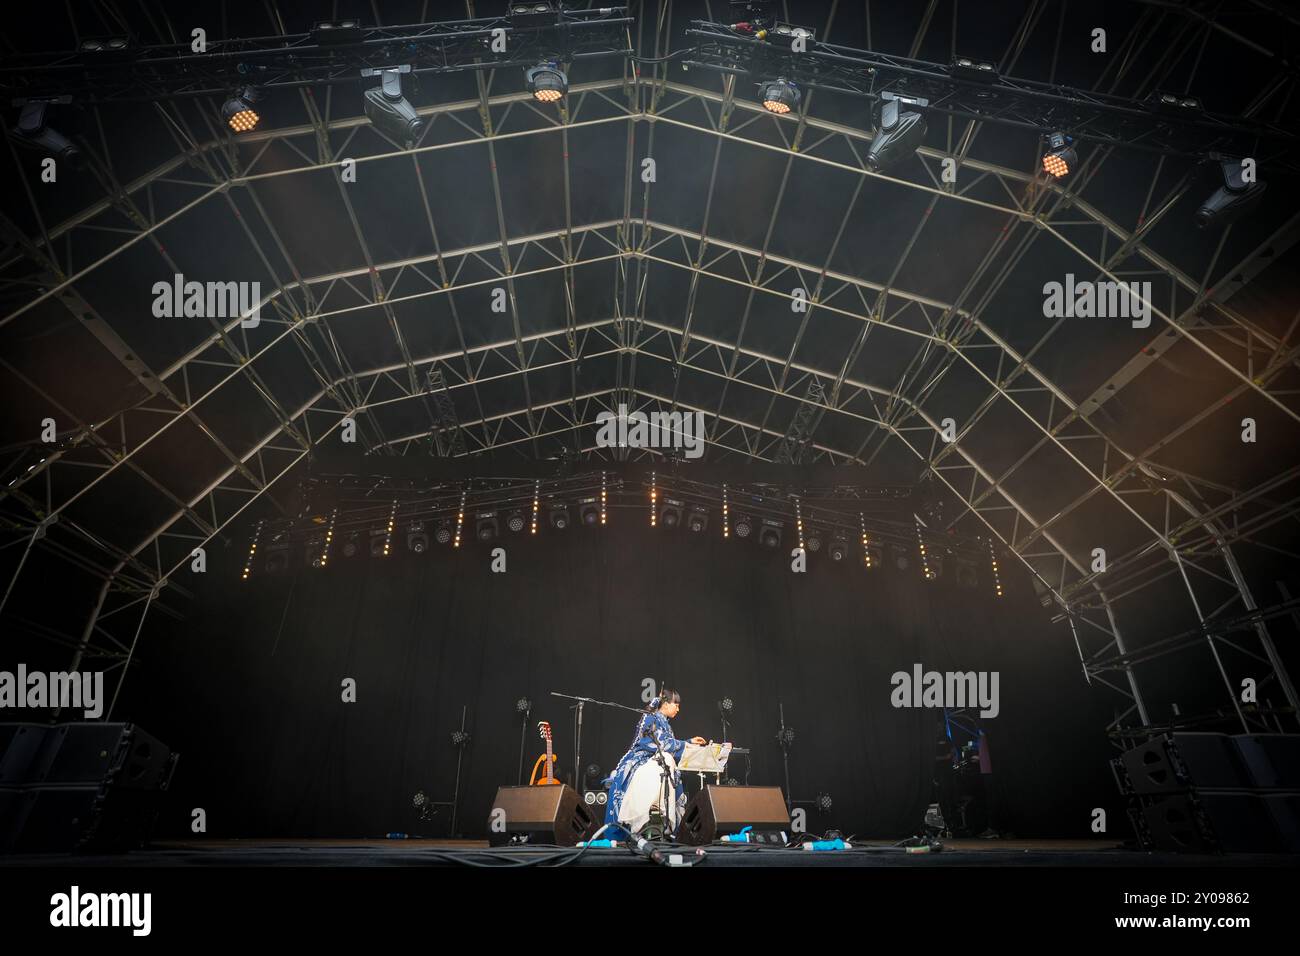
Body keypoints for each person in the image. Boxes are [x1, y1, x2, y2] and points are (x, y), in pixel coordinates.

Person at [603, 689, 706, 841]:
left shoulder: (664, 722)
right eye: (675, 704)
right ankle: (646, 821)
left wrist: (689, 743)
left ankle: (664, 822)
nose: (678, 709)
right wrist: (687, 744)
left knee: (667, 761)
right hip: (642, 759)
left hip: (655, 759)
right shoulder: (650, 718)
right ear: (665, 704)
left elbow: (666, 743)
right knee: (666, 759)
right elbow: (661, 743)